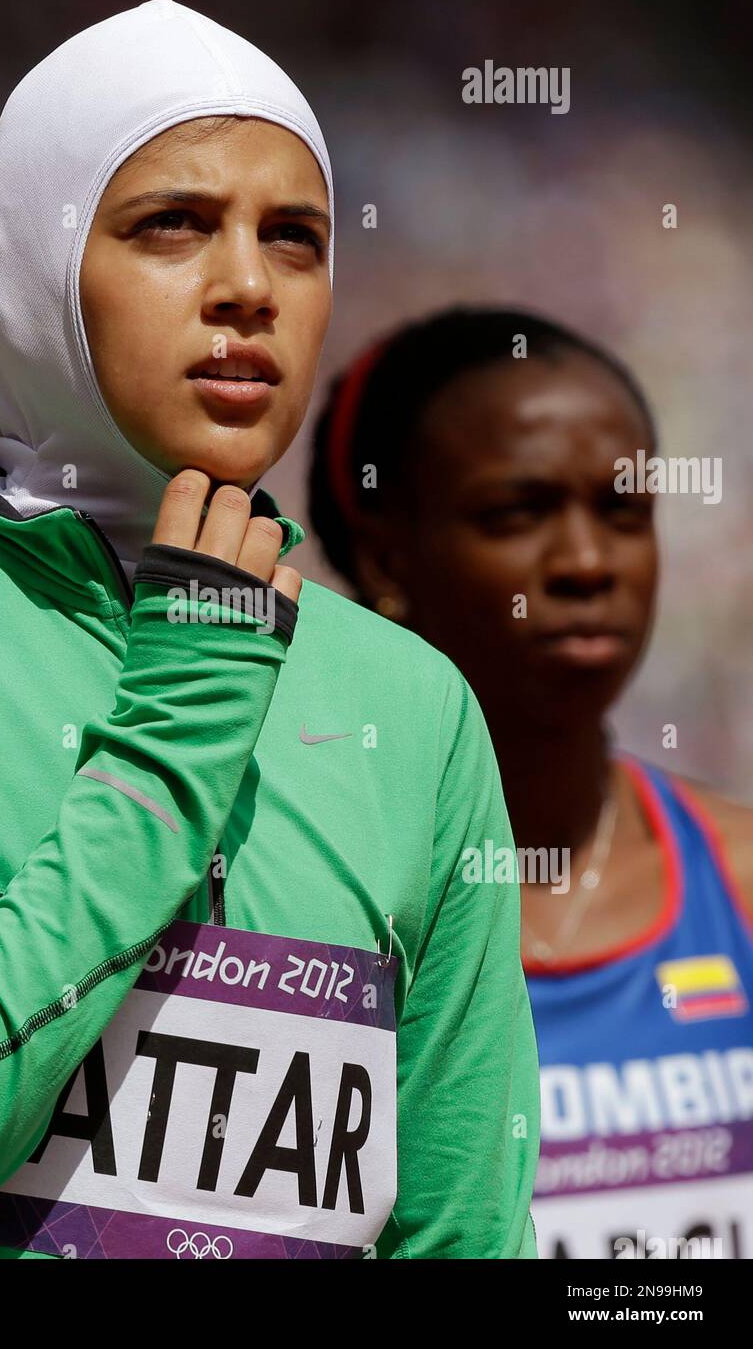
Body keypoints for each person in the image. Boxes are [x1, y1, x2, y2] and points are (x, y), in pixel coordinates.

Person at [0, 1, 538, 1260]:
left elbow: (462, 1229)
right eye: (173, 225)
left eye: (298, 241)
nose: (249, 288)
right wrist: (182, 718)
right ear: (34, 267)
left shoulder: (414, 706)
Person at [309, 304, 753, 1259]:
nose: (588, 563)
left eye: (624, 511)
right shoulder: (296, 900)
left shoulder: (740, 880)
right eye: (517, 514)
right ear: (387, 553)